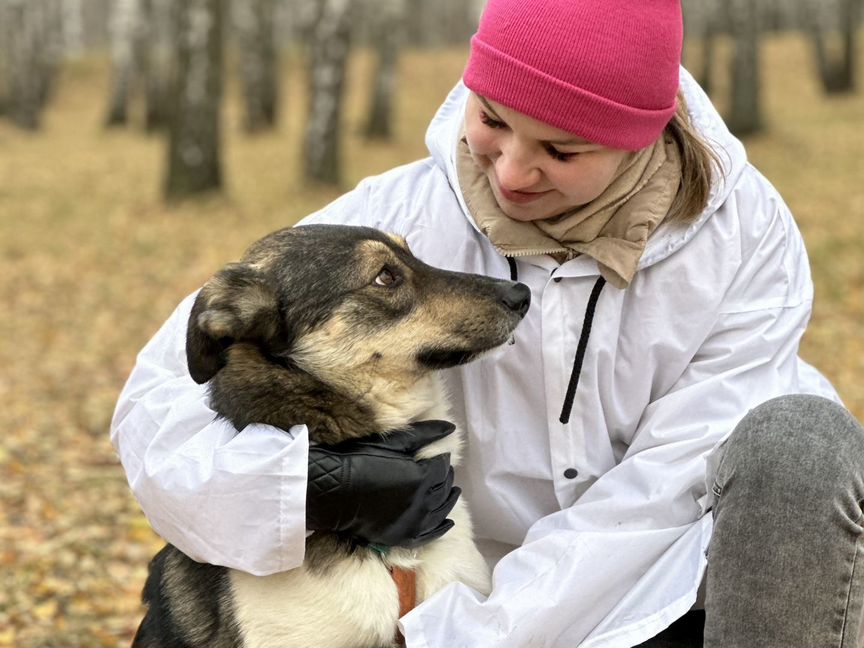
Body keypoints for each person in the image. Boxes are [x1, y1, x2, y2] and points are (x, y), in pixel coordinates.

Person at [111, 0, 864, 646]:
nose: (508, 172)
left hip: (659, 594)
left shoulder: (743, 242)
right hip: (455, 590)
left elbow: (665, 492)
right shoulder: (399, 219)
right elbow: (155, 408)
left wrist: (464, 636)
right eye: (491, 120)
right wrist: (305, 488)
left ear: (643, 138)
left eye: (560, 150)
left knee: (802, 441)